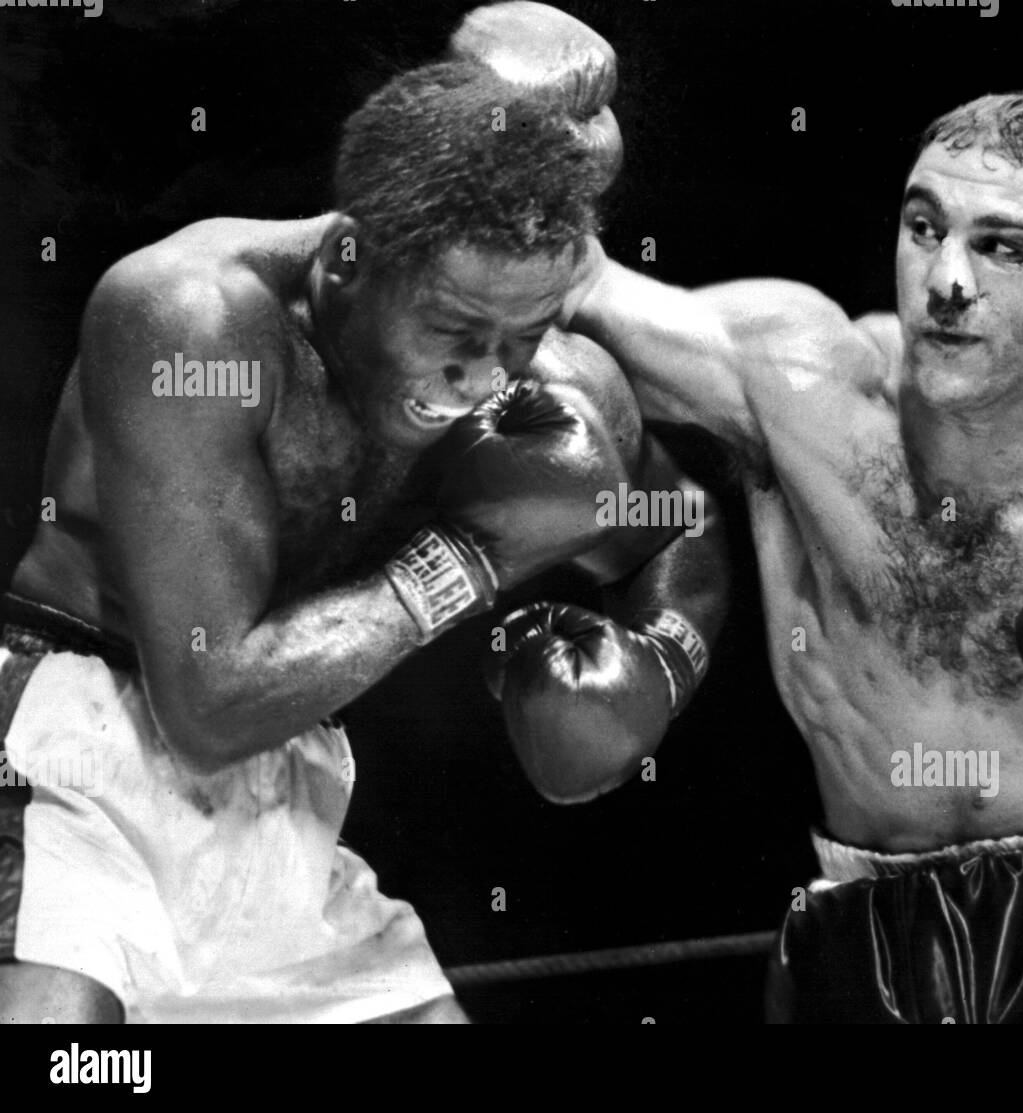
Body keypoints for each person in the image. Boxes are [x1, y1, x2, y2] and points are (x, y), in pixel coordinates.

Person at [0, 49, 726, 1023]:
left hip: (282, 787)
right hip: (73, 753)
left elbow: (677, 529)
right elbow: (210, 703)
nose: (488, 376)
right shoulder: (194, 320)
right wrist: (478, 557)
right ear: (350, 260)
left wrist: (657, 662)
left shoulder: (549, 382)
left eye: (525, 332)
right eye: (455, 328)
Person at [560, 85, 1023, 1022]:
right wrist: (538, 145)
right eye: (924, 227)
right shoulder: (792, 381)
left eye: (1002, 245)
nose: (948, 279)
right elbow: (568, 290)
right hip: (860, 923)